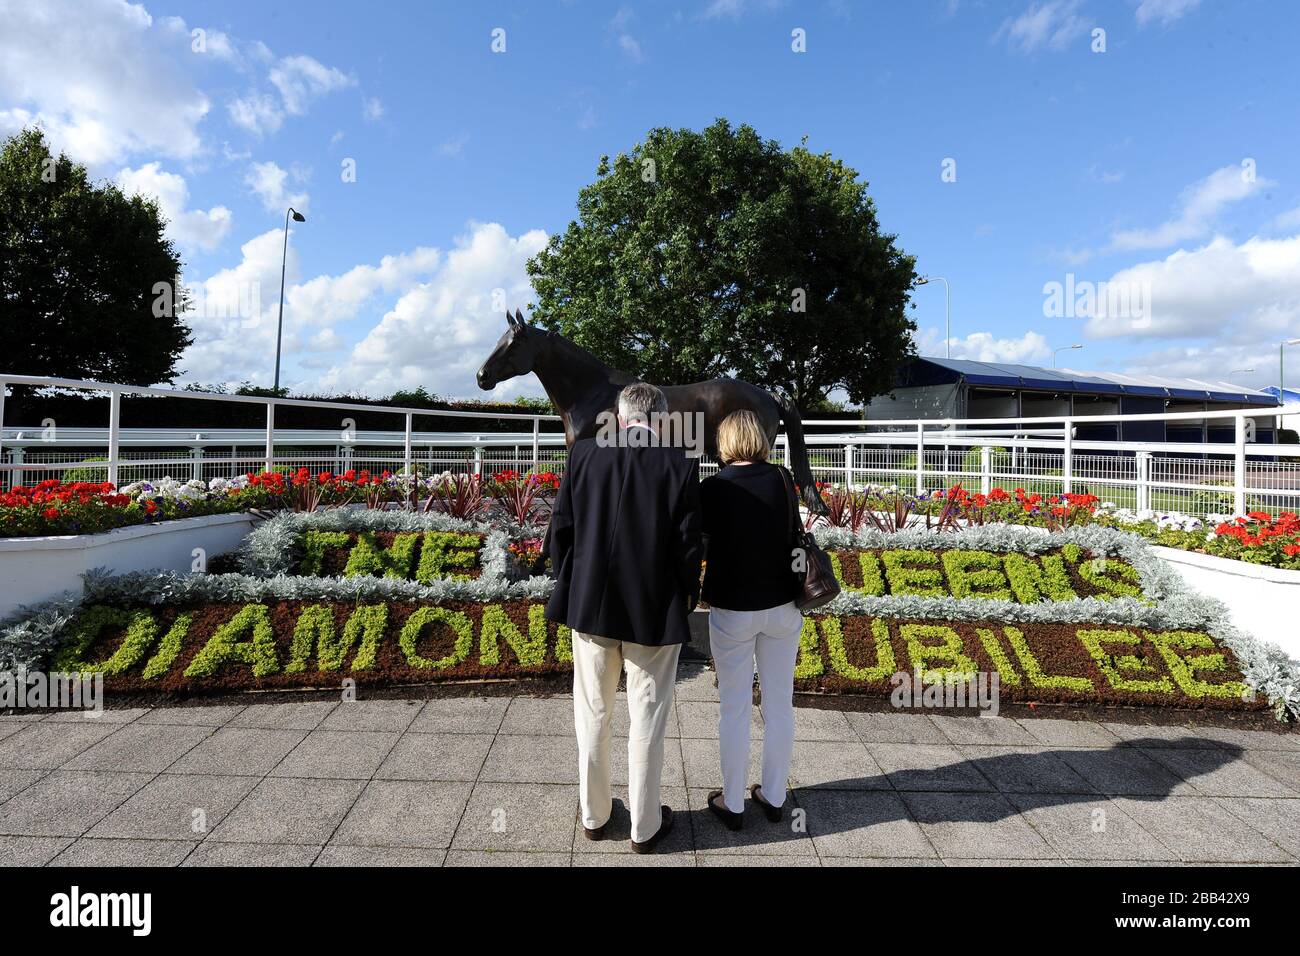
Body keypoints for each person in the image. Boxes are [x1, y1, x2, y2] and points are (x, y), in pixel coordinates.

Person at [545, 382, 703, 853]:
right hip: (654, 610)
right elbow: (689, 545)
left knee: (592, 711)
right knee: (647, 718)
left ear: (619, 414)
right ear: (661, 416)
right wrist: (686, 597)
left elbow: (562, 530)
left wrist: (569, 585)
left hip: (590, 606)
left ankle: (594, 816)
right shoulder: (680, 462)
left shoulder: (584, 454)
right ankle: (645, 827)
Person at [699, 409, 803, 830]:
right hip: (783, 605)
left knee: (734, 708)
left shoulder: (713, 488)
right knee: (780, 704)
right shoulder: (782, 479)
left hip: (733, 609)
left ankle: (733, 802)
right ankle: (775, 796)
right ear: (760, 439)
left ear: (724, 442)